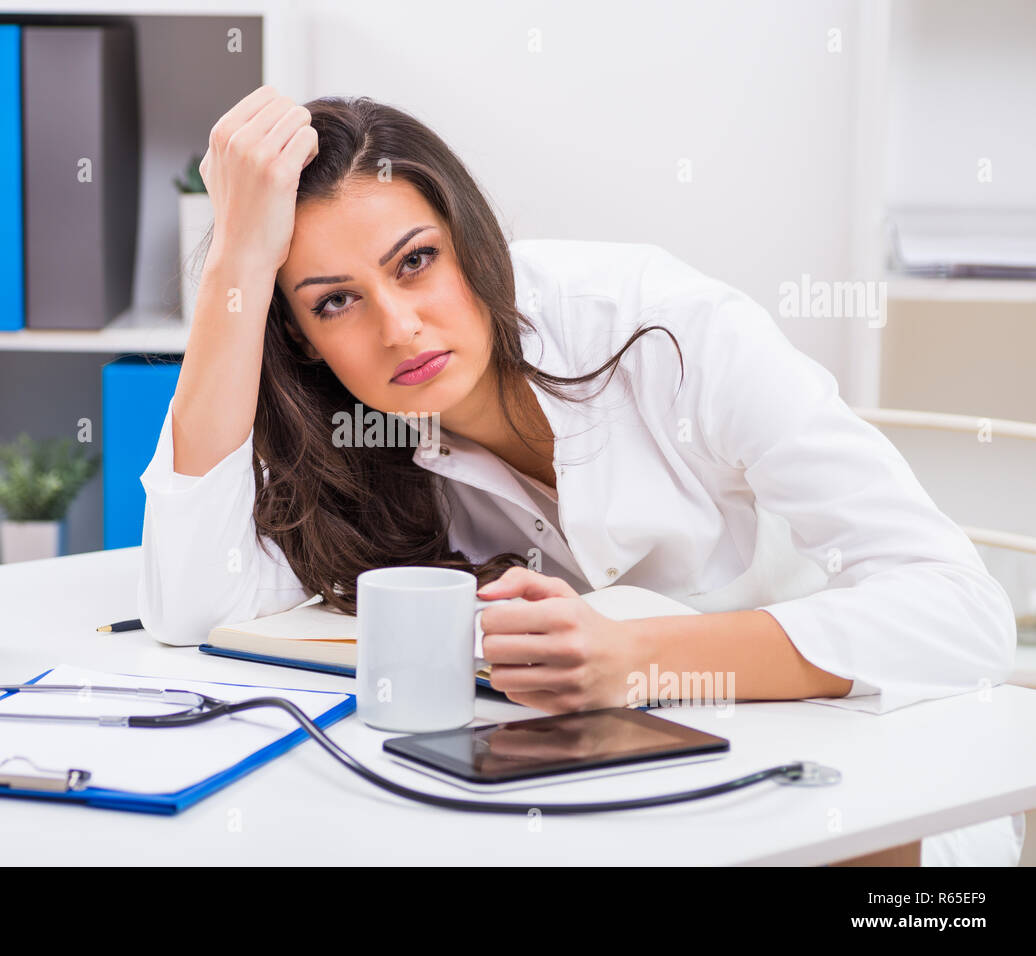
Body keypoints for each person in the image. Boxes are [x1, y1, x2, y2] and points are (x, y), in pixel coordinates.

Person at [137, 86, 1022, 865]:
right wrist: (235, 264)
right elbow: (194, 606)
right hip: (625, 797)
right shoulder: (354, 436)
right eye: (335, 301)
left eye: (416, 261)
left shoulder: (668, 329)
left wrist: (638, 659)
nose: (398, 328)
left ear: (471, 239)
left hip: (864, 775)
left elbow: (963, 612)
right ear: (302, 339)